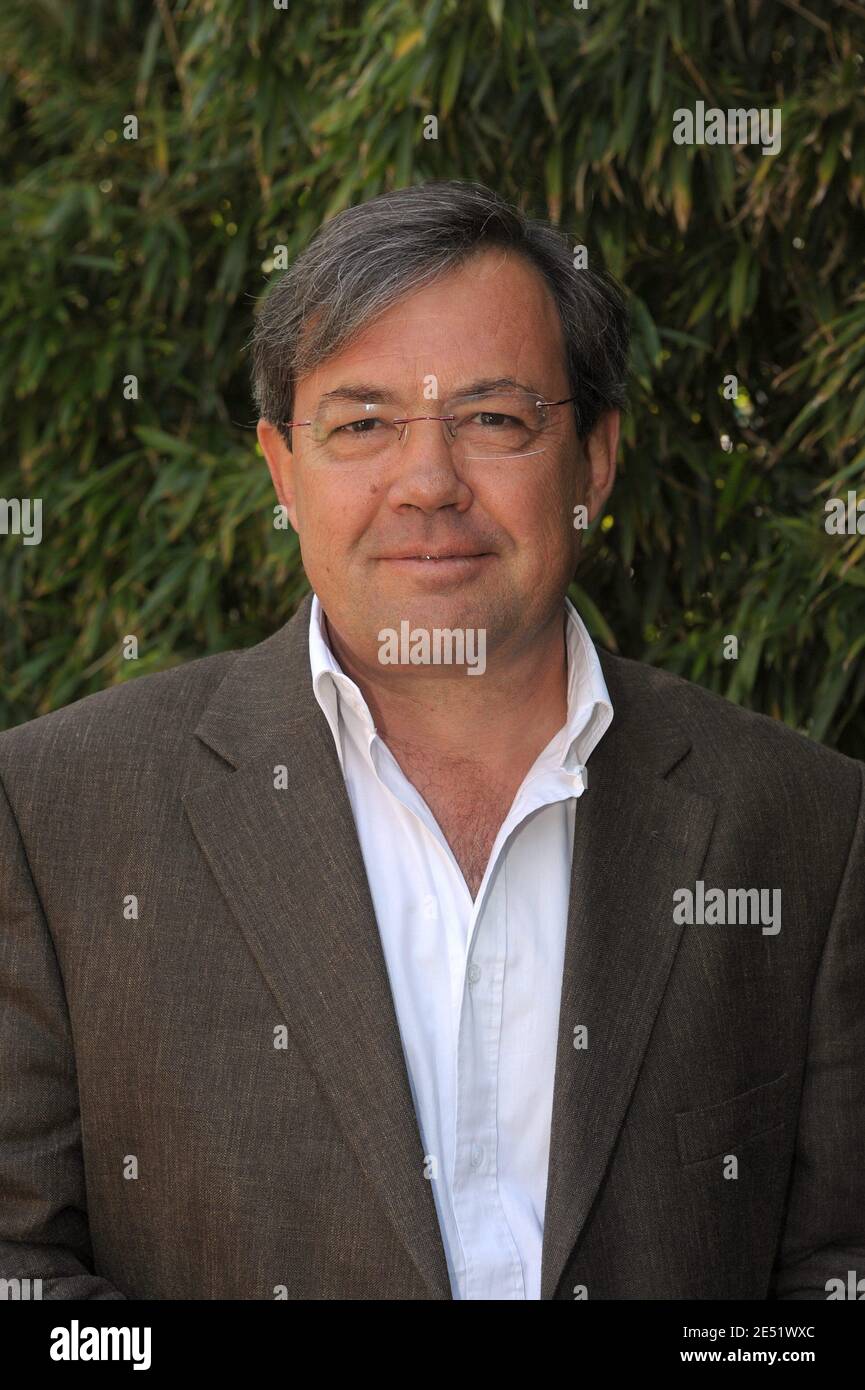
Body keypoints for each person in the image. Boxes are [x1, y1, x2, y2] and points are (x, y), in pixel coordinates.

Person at [1, 181, 862, 1301]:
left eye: (493, 420)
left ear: (594, 460)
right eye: (361, 425)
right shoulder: (56, 808)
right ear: (280, 468)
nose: (426, 483)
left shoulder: (806, 822)